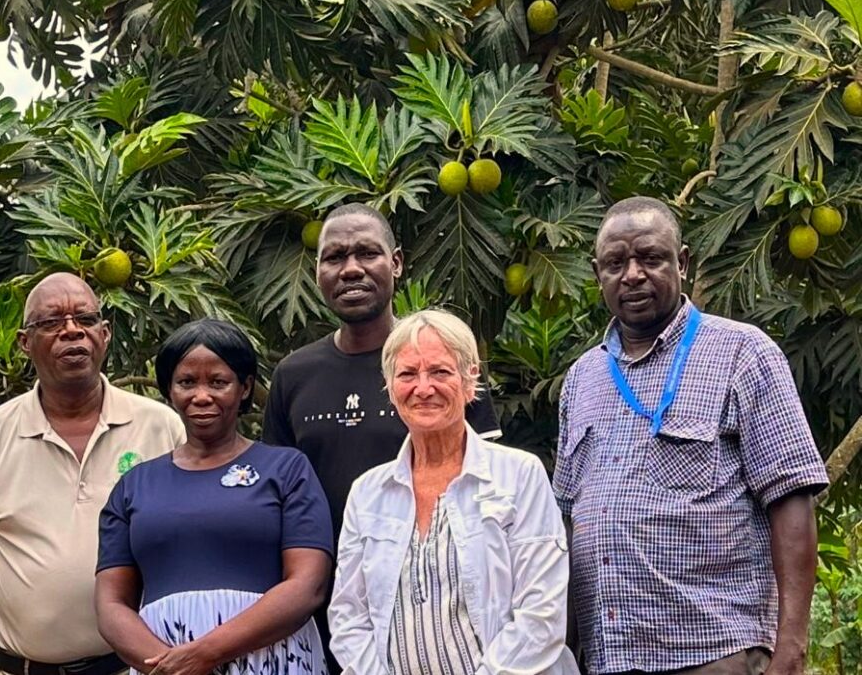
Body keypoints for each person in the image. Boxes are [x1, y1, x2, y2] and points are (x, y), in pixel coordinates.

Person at [553, 198, 828, 675]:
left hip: (713, 651)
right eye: (616, 264)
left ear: (682, 262)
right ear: (598, 273)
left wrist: (791, 650)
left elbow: (792, 498)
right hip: (609, 657)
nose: (633, 274)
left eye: (650, 258)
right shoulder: (581, 378)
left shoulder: (742, 352)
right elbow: (572, 522)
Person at [264, 204, 501, 669]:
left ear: (396, 263)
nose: (351, 268)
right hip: (332, 616)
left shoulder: (442, 366)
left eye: (367, 253)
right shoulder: (294, 376)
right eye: (334, 257)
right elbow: (280, 503)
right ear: (317, 272)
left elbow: (492, 493)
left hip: (448, 614)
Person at [0, 272, 184, 675]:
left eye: (85, 319)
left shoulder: (160, 428)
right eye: (51, 323)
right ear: (24, 342)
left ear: (105, 334)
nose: (71, 331)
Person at [329, 310, 576, 675]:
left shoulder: (519, 476)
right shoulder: (368, 493)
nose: (423, 388)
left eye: (440, 372)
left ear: (469, 379)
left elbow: (542, 614)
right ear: (389, 386)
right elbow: (348, 615)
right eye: (408, 374)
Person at [97, 319, 333, 675]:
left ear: (245, 388)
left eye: (218, 382)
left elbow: (308, 584)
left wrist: (206, 654)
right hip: (162, 665)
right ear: (169, 390)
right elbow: (110, 603)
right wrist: (170, 666)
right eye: (187, 382)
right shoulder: (134, 485)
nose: (202, 395)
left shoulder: (286, 470)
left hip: (270, 657)